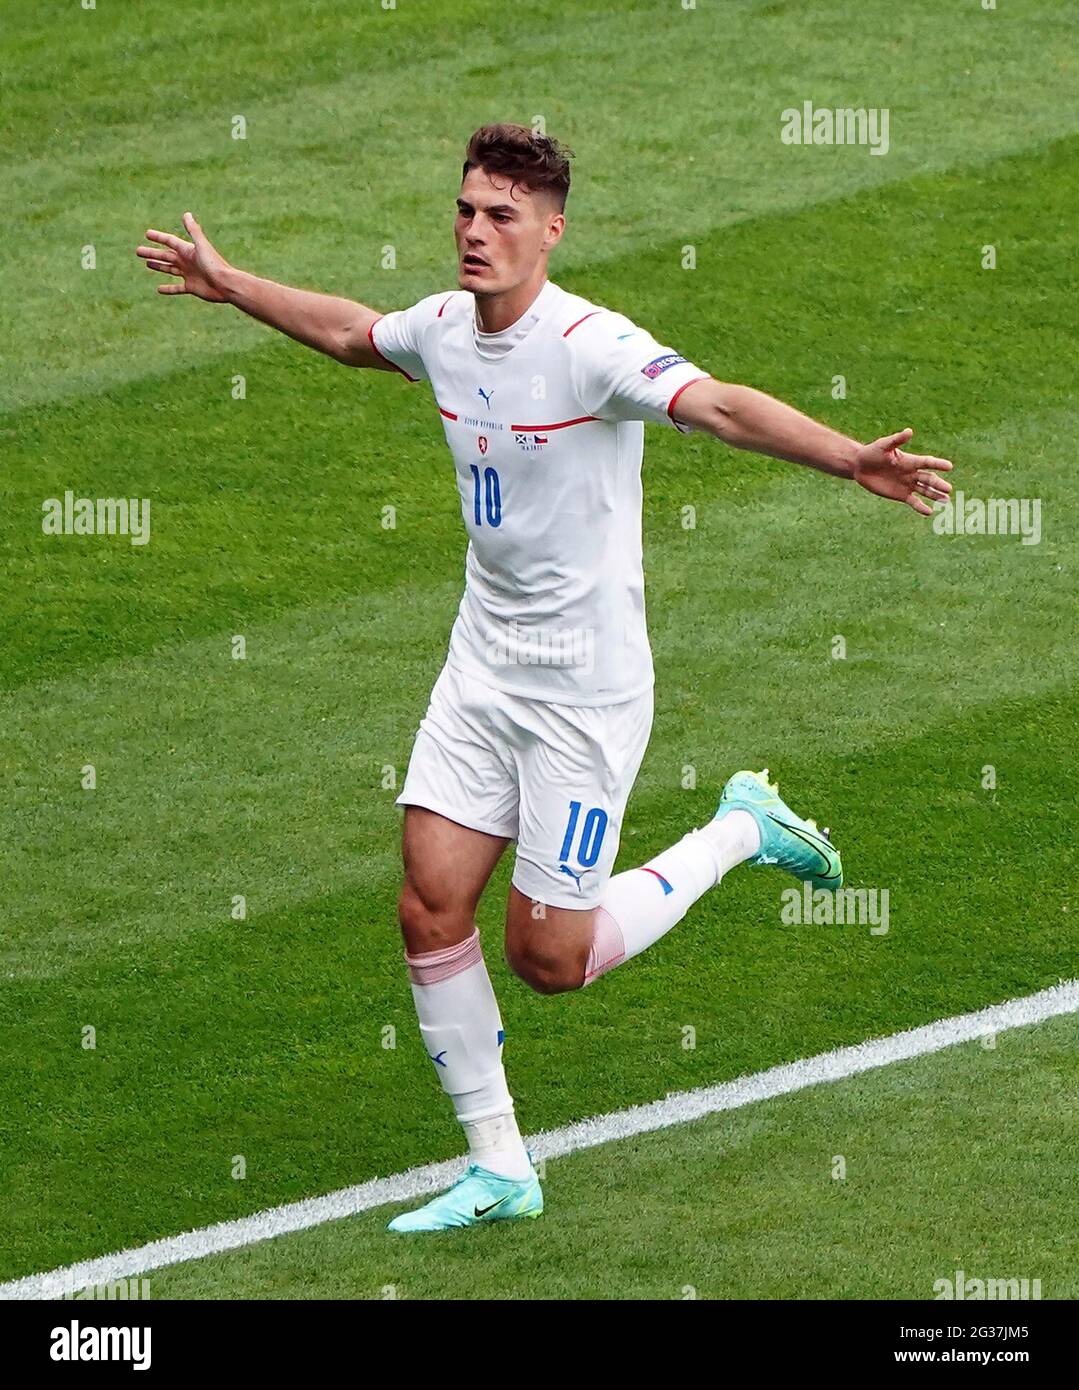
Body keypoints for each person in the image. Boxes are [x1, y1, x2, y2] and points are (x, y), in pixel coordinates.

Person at [136, 122, 953, 1233]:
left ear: (550, 231)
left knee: (547, 961)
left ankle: (738, 830)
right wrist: (231, 287)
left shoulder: (590, 346)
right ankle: (500, 1168)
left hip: (582, 694)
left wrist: (846, 455)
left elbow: (715, 405)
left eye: (500, 216)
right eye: (466, 210)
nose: (475, 232)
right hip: (481, 666)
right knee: (429, 904)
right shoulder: (441, 327)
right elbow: (347, 333)